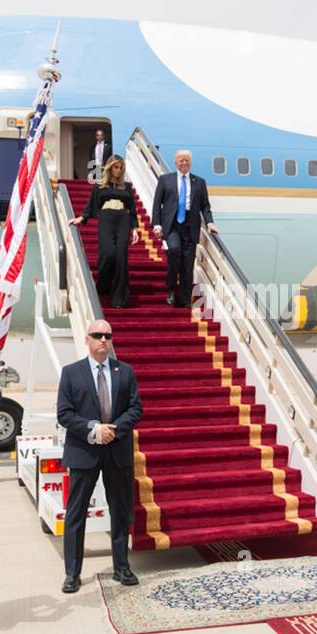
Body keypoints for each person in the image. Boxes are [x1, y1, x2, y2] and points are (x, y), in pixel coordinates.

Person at [55, 319, 143, 593]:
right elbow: (64, 414)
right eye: (97, 335)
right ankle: (72, 573)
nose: (103, 340)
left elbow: (135, 408)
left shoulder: (125, 372)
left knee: (120, 511)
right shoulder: (71, 373)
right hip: (85, 451)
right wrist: (94, 429)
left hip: (117, 451)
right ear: (87, 339)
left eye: (107, 335)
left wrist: (113, 430)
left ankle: (122, 567)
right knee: (76, 513)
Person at [151, 150, 218, 307]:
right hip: (173, 224)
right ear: (175, 162)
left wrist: (209, 223)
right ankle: (172, 287)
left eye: (186, 160)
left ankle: (185, 299)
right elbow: (157, 205)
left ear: (191, 162)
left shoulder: (199, 182)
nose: (184, 162)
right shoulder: (165, 180)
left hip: (190, 224)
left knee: (188, 265)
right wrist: (157, 224)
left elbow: (205, 207)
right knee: (174, 250)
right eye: (181, 160)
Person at [70, 155, 139, 309]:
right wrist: (82, 218)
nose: (118, 170)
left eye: (121, 167)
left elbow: (132, 209)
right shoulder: (99, 186)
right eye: (116, 167)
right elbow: (91, 205)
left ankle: (119, 299)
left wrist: (134, 228)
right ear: (109, 167)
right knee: (108, 253)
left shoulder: (126, 186)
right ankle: (103, 285)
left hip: (123, 220)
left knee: (121, 257)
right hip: (106, 219)